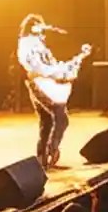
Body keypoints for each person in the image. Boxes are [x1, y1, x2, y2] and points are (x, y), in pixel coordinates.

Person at [16, 15, 92, 169]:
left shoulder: (35, 44)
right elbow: (39, 67)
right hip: (40, 84)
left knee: (47, 121)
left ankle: (42, 159)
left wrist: (66, 68)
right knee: (60, 118)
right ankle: (51, 150)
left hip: (41, 83)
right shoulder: (29, 44)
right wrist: (60, 74)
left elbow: (47, 65)